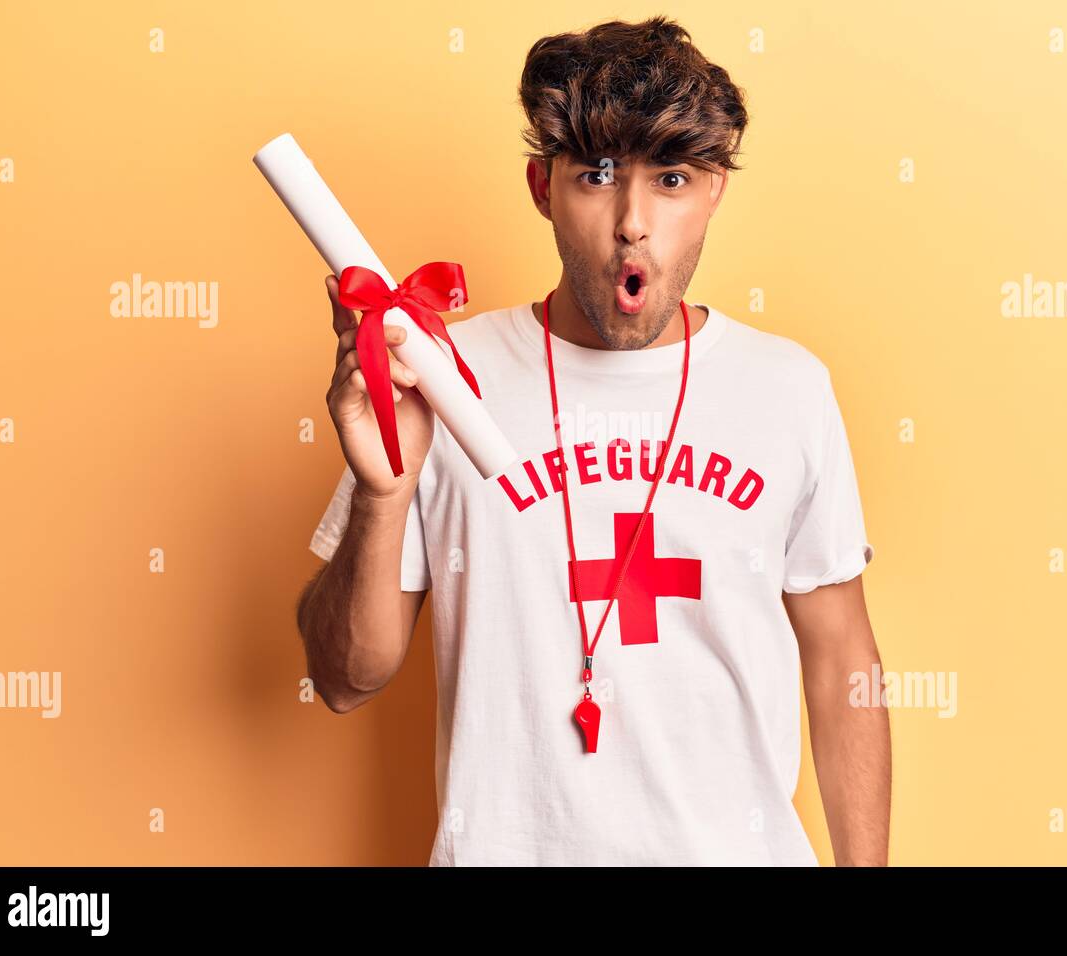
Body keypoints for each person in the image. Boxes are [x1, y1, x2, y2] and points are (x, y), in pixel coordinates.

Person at [296, 15, 888, 866]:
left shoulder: (788, 389)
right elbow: (345, 680)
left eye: (673, 180)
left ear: (716, 189)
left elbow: (843, 671)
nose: (633, 223)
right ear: (543, 187)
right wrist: (385, 497)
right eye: (597, 178)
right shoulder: (437, 378)